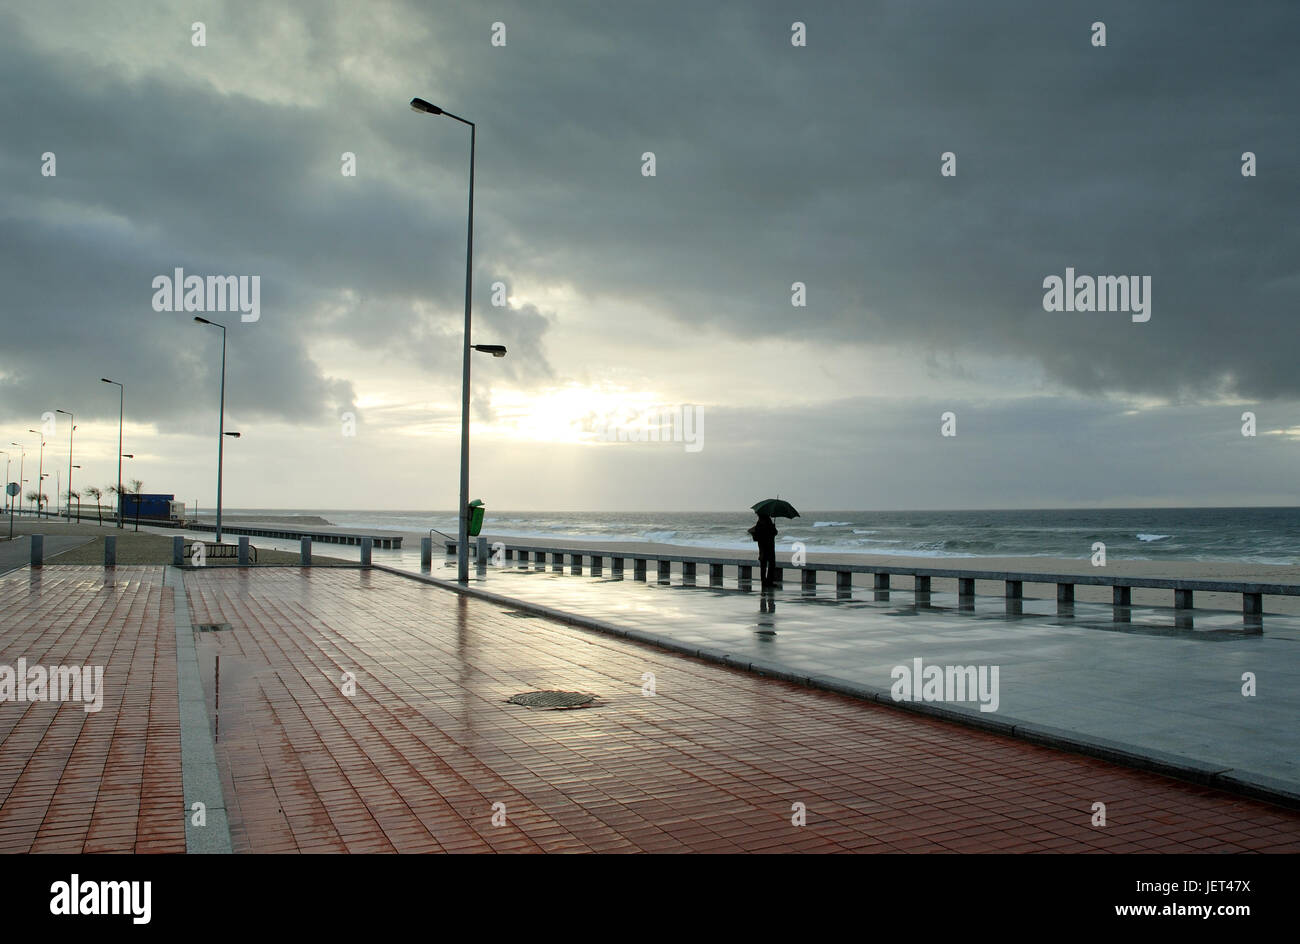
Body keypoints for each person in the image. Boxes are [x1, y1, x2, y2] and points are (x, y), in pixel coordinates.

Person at [748, 512, 778, 588]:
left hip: (762, 547)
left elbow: (757, 535)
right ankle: (769, 582)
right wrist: (774, 528)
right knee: (771, 565)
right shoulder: (768, 522)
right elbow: (773, 533)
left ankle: (764, 582)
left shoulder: (759, 523)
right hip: (769, 546)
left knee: (763, 565)